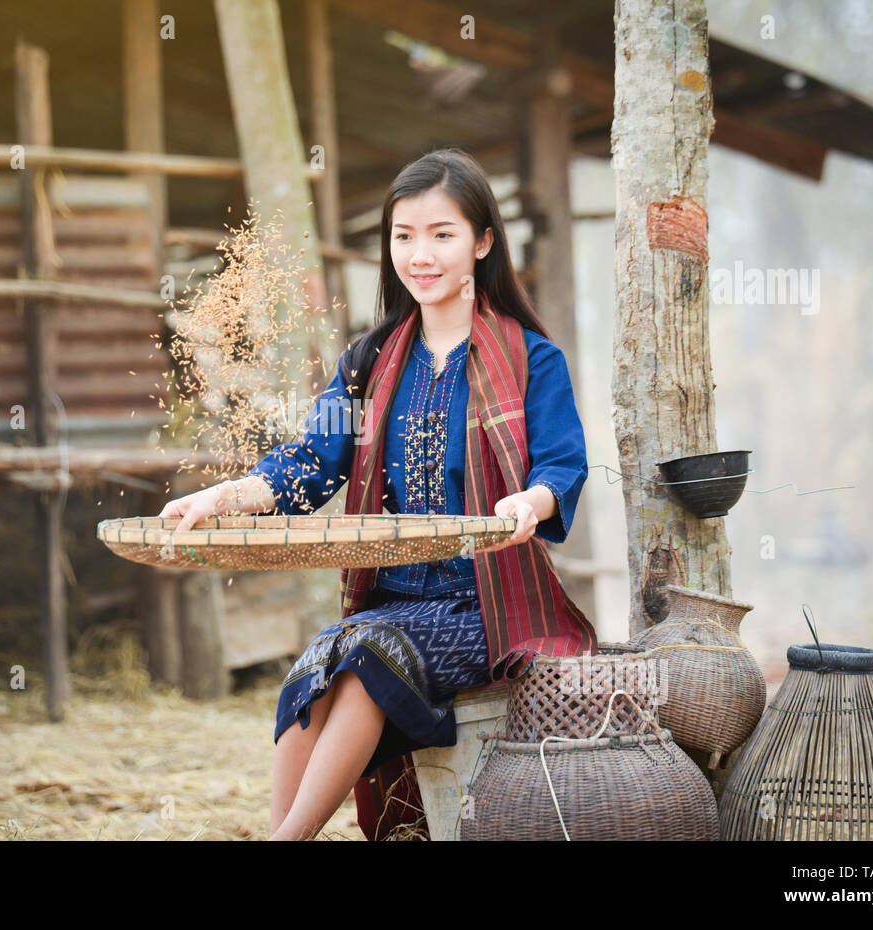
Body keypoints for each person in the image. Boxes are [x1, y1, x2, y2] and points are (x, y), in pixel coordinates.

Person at [158, 147, 598, 841]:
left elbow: (562, 466)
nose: (420, 254)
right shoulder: (368, 363)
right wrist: (223, 497)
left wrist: (530, 503)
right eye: (404, 236)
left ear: (483, 242)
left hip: (489, 604)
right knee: (316, 665)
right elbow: (308, 464)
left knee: (365, 660)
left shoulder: (530, 359)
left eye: (442, 235)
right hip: (390, 599)